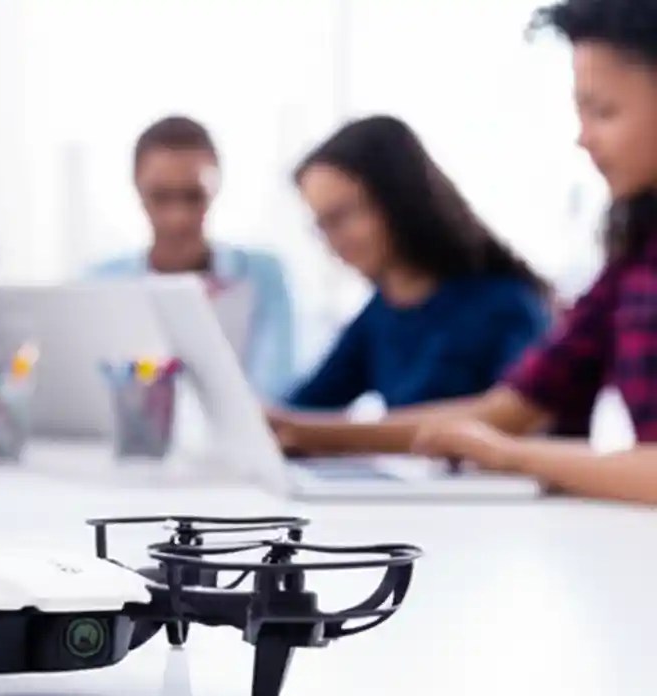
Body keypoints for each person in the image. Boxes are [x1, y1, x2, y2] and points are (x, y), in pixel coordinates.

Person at [274, 0, 657, 506]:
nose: (583, 138)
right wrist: (299, 430)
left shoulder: (502, 304)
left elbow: (513, 433)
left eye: (604, 111)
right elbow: (509, 408)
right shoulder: (632, 264)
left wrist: (511, 455)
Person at [285, 115, 552, 411]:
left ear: (396, 198)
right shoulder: (380, 314)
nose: (333, 240)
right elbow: (304, 406)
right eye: (322, 225)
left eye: (342, 217)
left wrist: (315, 434)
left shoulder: (506, 306)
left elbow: (507, 421)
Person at [91, 116, 296, 399]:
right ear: (137, 187)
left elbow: (272, 389)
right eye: (161, 196)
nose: (178, 218)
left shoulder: (263, 276)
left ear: (216, 187)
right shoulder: (99, 283)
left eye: (193, 196)